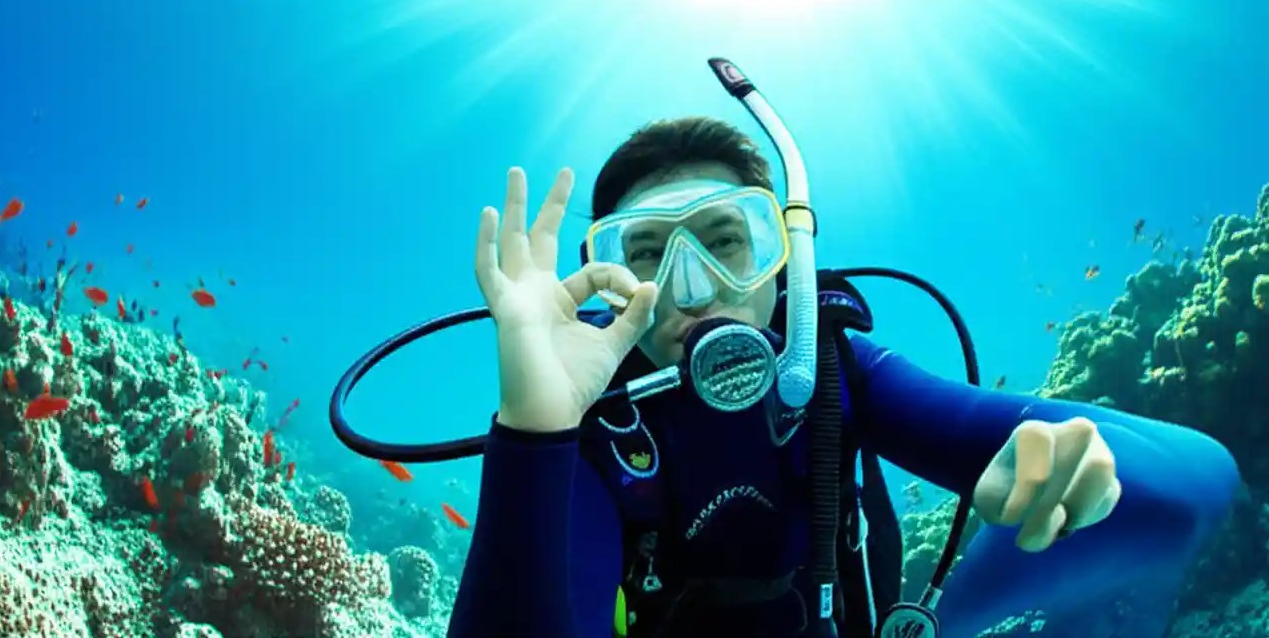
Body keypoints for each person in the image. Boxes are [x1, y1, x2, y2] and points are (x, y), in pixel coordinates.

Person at [446, 116, 1239, 638]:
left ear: (785, 259)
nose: (694, 289)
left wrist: (1069, 462)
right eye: (648, 253)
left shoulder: (830, 372)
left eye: (728, 241)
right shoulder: (596, 426)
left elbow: (1203, 475)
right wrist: (534, 431)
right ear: (606, 277)